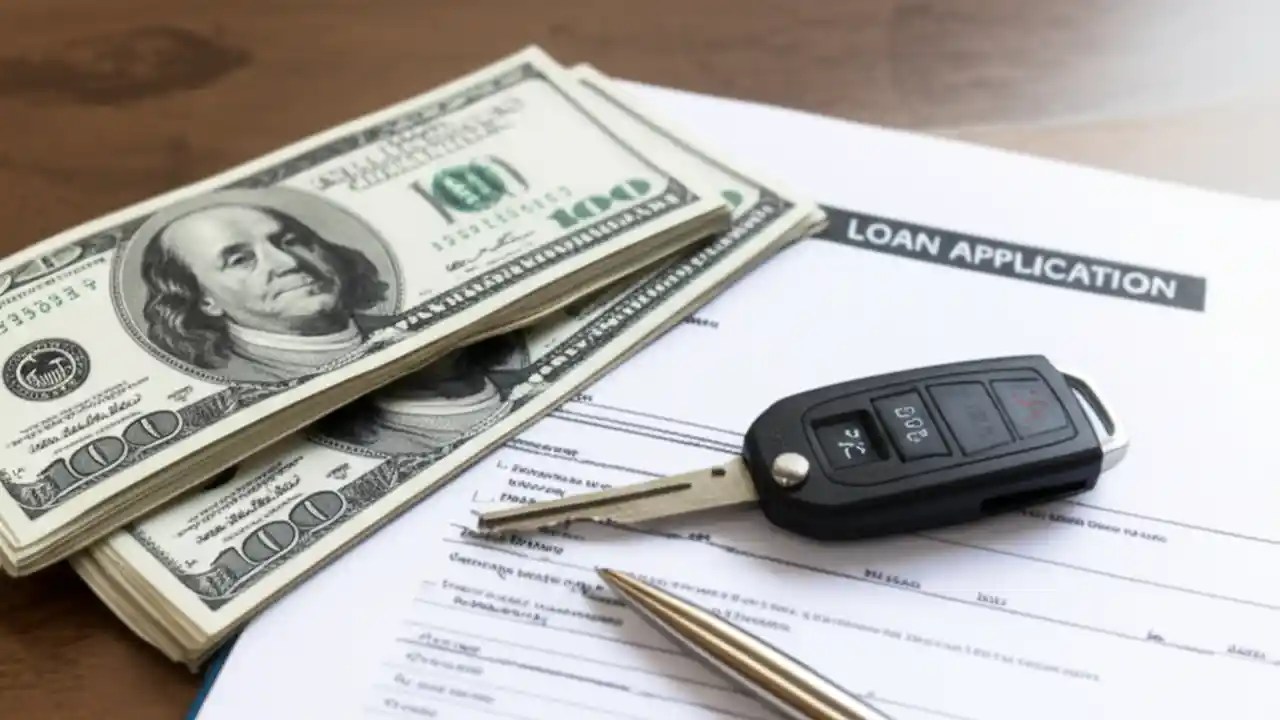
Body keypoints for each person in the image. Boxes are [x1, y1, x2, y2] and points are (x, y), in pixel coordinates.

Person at [139, 203, 392, 382]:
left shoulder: (400, 328)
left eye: (290, 242)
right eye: (239, 260)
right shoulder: (242, 377)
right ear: (205, 300)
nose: (288, 262)